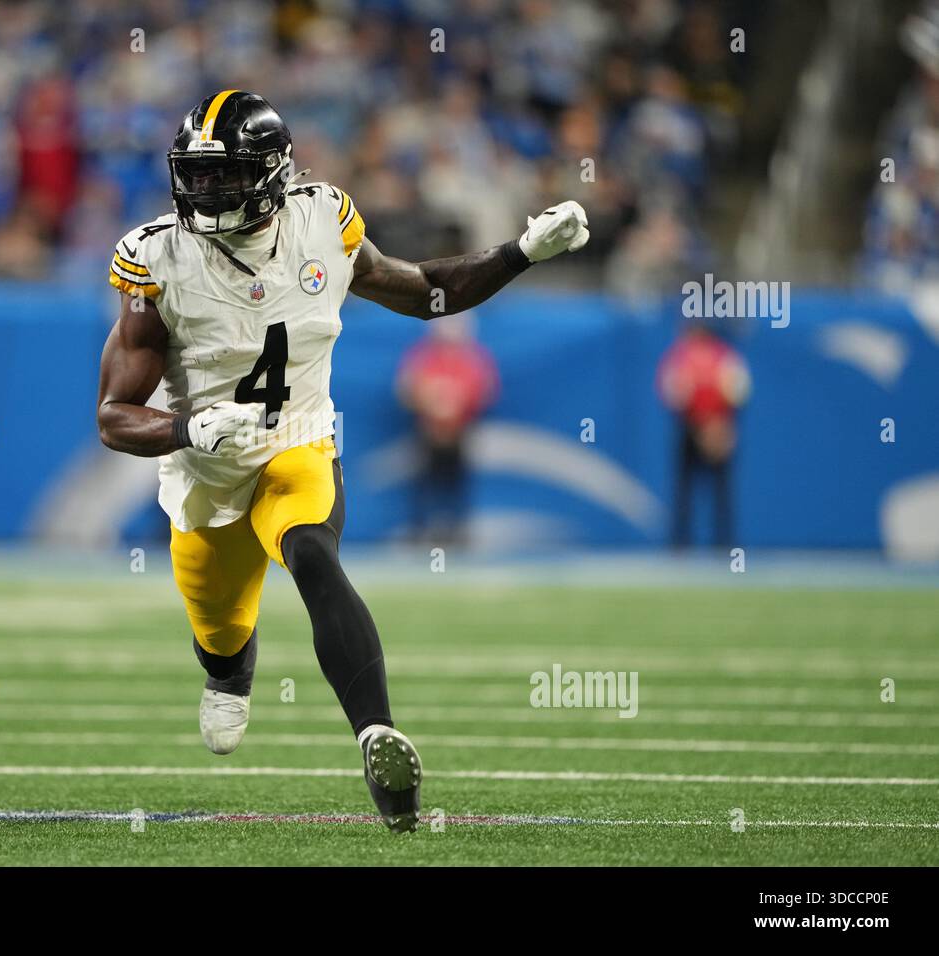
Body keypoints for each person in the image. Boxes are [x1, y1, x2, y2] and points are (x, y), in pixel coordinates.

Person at [95, 90, 589, 832]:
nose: (203, 190)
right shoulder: (156, 256)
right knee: (221, 637)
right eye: (194, 175)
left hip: (298, 440)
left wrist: (520, 253)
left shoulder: (321, 220)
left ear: (269, 174)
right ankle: (231, 675)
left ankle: (377, 737)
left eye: (221, 174)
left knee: (314, 557)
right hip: (204, 469)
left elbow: (427, 294)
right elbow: (112, 415)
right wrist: (191, 429)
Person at [396, 316, 500, 543]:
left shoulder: (474, 358)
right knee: (424, 480)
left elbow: (486, 391)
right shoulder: (423, 356)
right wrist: (431, 402)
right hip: (429, 432)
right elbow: (406, 389)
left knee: (457, 481)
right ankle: (421, 529)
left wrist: (456, 404)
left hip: (460, 432)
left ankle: (458, 528)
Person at [656, 322, 751, 549]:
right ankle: (691, 543)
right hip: (703, 426)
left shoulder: (694, 357)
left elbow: (673, 392)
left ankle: (707, 543)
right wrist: (712, 421)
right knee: (691, 488)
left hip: (709, 426)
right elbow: (739, 391)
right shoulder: (721, 357)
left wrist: (713, 422)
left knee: (711, 489)